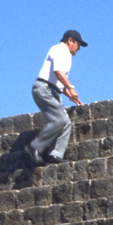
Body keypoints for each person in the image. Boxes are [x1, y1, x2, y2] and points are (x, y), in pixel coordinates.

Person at [28, 30, 87, 166]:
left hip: (51, 90)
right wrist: (71, 87)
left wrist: (70, 95)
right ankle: (35, 147)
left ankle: (55, 154)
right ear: (70, 41)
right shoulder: (60, 50)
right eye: (78, 44)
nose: (78, 48)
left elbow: (58, 83)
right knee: (59, 119)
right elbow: (59, 73)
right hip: (44, 88)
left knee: (65, 122)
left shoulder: (66, 54)